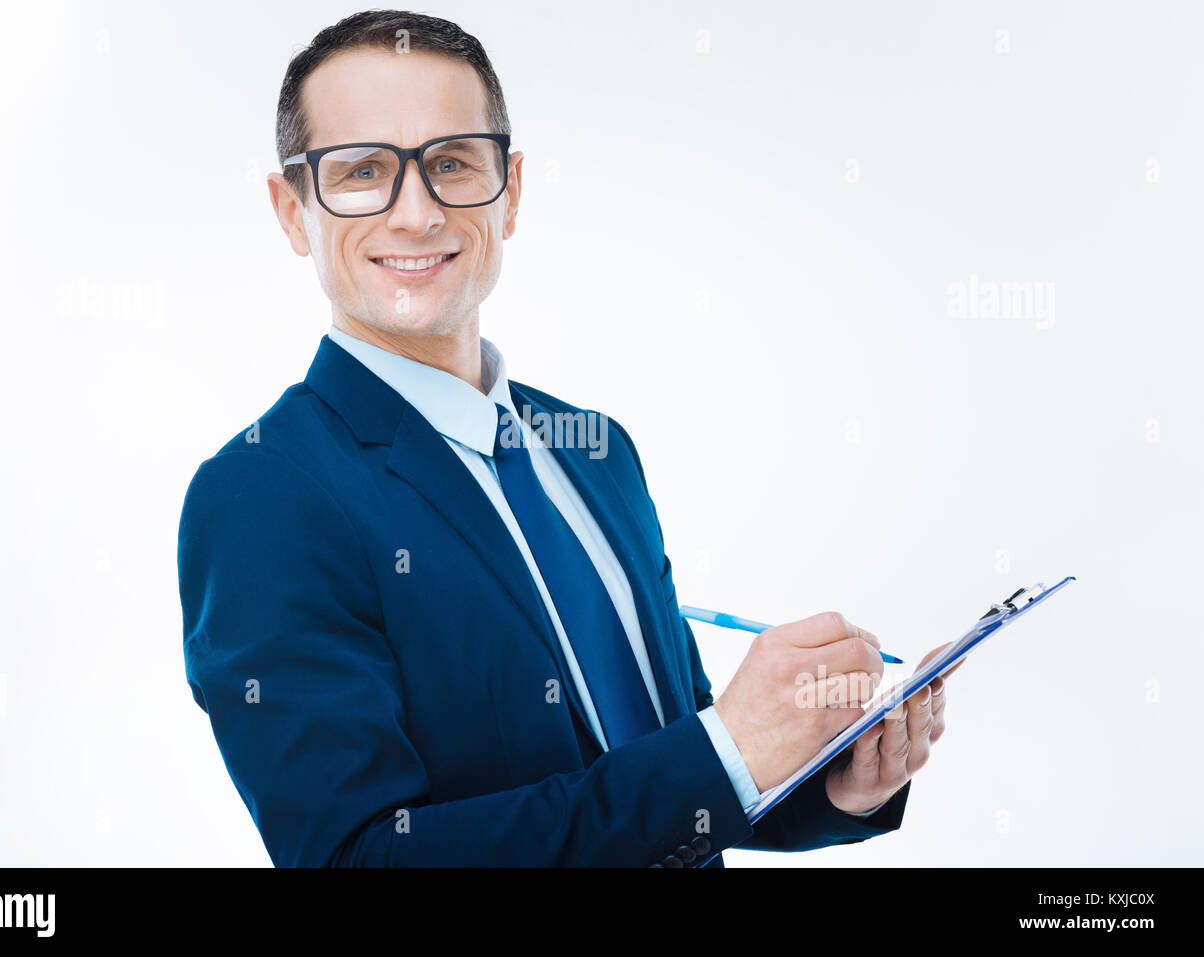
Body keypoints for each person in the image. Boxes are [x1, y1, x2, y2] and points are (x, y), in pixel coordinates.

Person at [177, 9, 953, 867]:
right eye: (361, 171)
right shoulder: (264, 495)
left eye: (450, 163)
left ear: (508, 193)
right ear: (292, 213)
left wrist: (832, 783)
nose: (416, 213)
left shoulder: (595, 451)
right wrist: (731, 747)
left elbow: (672, 757)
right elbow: (360, 859)